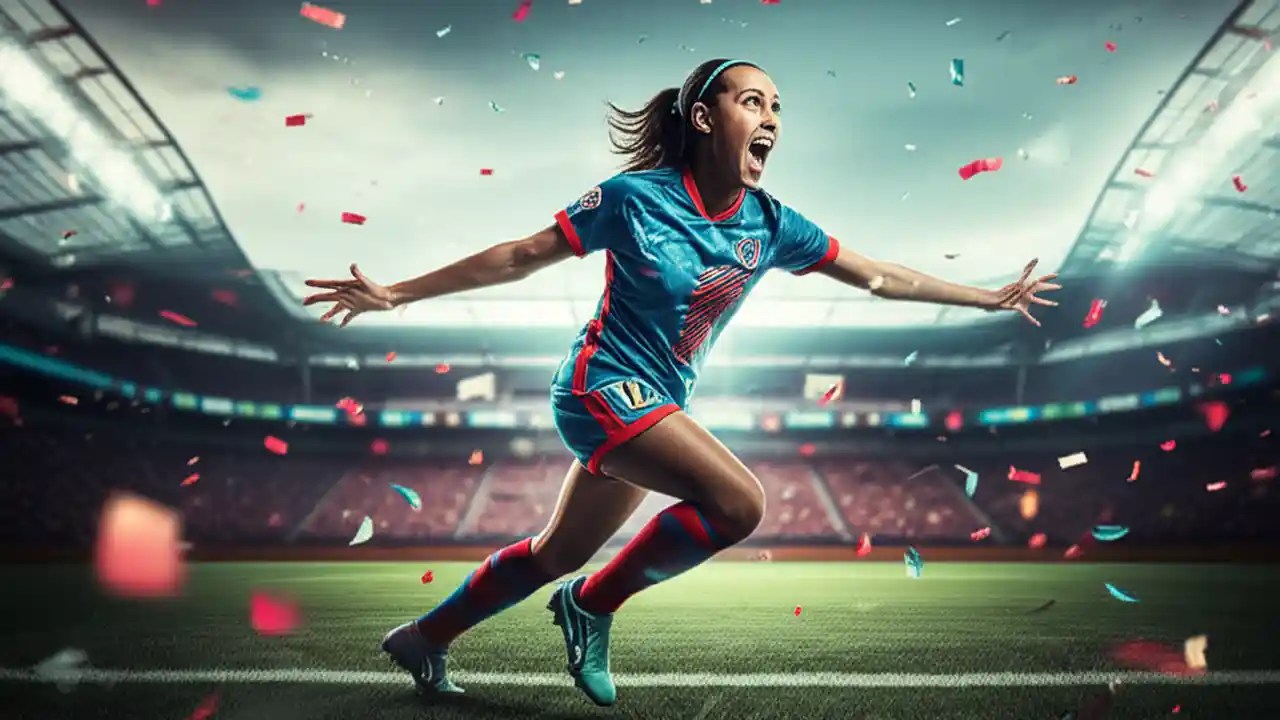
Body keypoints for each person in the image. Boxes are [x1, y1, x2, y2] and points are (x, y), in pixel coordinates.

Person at [303, 58, 1061, 706]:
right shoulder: (635, 200)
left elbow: (879, 276)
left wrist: (987, 295)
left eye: (777, 108)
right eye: (752, 101)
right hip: (599, 386)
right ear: (703, 116)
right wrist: (396, 291)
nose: (770, 118)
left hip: (655, 404)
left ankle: (424, 637)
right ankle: (592, 604)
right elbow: (521, 255)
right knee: (738, 504)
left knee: (554, 551)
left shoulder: (772, 224)